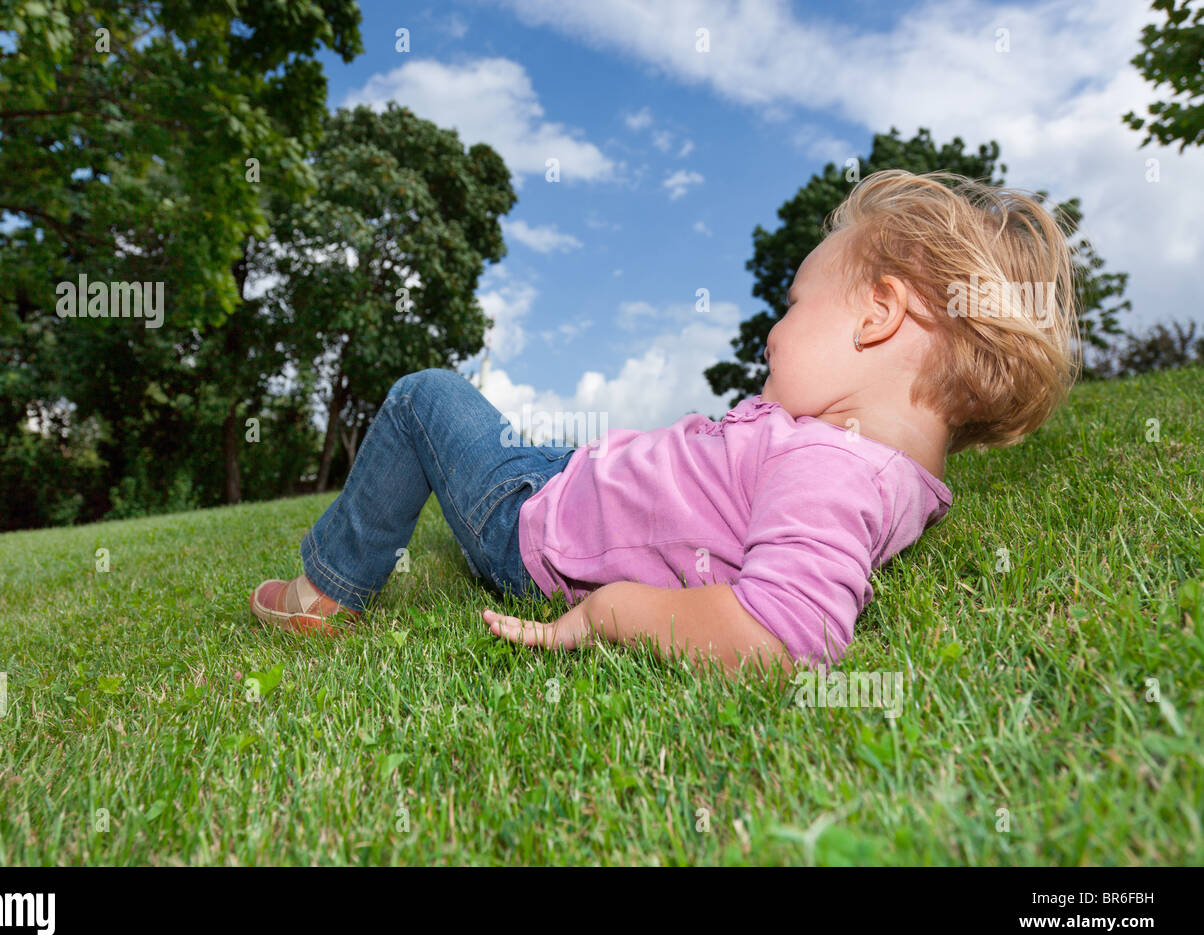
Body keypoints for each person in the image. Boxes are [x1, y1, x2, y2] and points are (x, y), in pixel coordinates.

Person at [251, 169, 1079, 678]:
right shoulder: (876, 466)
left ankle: (323, 591)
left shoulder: (835, 466)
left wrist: (610, 613)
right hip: (579, 470)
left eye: (792, 307)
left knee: (424, 396)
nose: (772, 332)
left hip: (530, 517)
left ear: (878, 317)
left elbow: (781, 637)